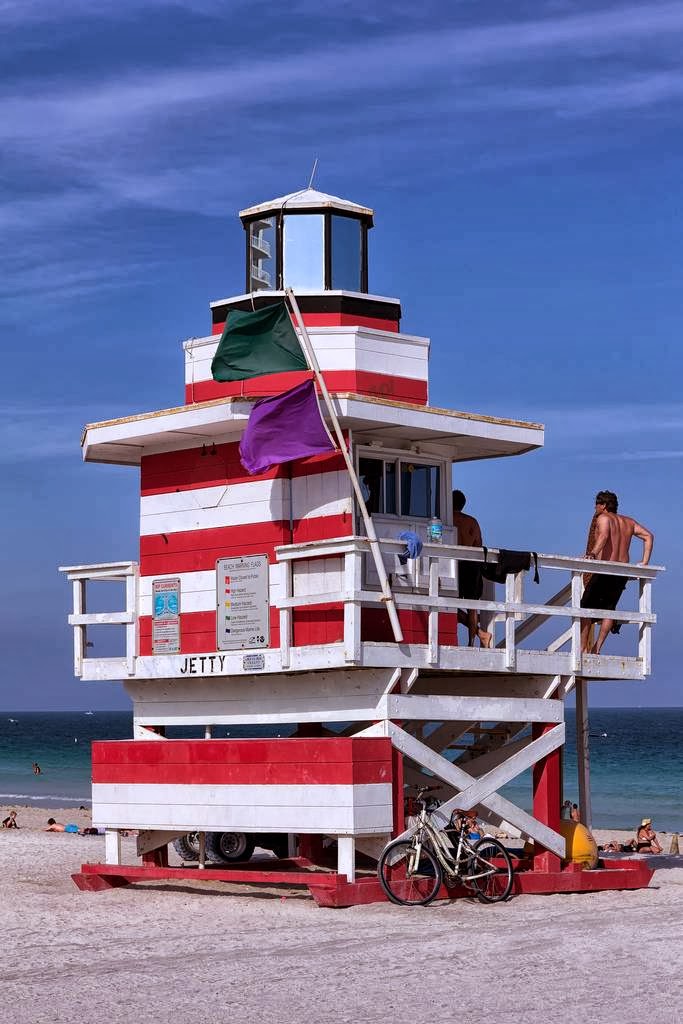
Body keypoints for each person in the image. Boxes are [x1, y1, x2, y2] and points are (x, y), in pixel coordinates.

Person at [580, 490, 653, 654]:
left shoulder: (603, 518)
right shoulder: (628, 522)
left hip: (606, 568)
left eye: (597, 504)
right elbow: (649, 536)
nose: (595, 507)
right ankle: (597, 648)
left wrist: (591, 554)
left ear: (604, 505)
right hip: (622, 571)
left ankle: (583, 648)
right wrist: (644, 562)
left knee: (584, 608)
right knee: (609, 608)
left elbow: (604, 536)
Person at [452, 490, 492, 649]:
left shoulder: (447, 519)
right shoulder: (472, 522)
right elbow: (479, 544)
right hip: (472, 563)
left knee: (447, 604)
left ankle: (481, 634)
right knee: (472, 606)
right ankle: (471, 642)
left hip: (454, 564)